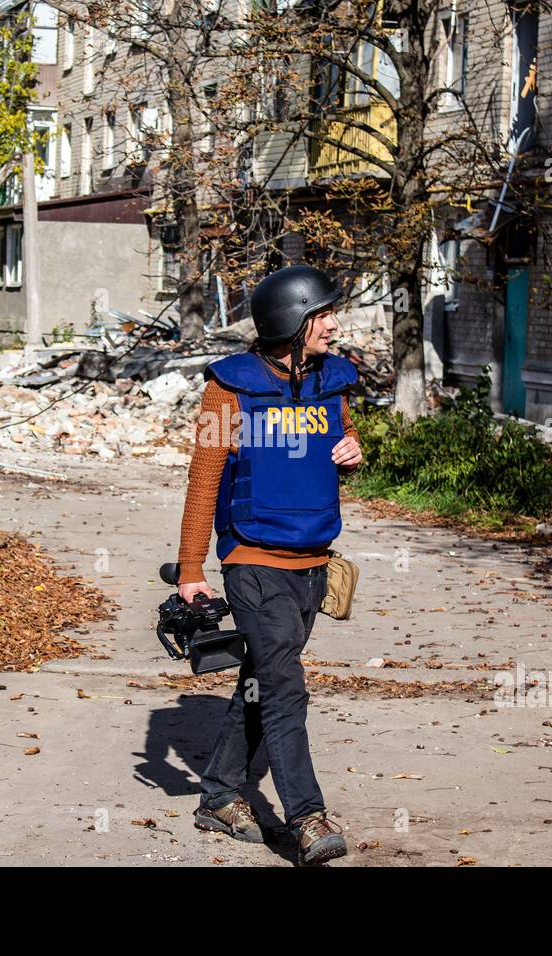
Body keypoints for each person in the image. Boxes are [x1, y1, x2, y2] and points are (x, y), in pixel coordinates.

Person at [175, 264, 363, 865]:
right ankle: (307, 819)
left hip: (312, 560)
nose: (333, 324)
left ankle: (219, 795)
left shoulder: (332, 381)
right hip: (253, 562)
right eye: (323, 314)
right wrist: (189, 571)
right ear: (293, 321)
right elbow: (204, 480)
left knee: (263, 680)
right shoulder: (227, 388)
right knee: (285, 688)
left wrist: (353, 455)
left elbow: (345, 442)